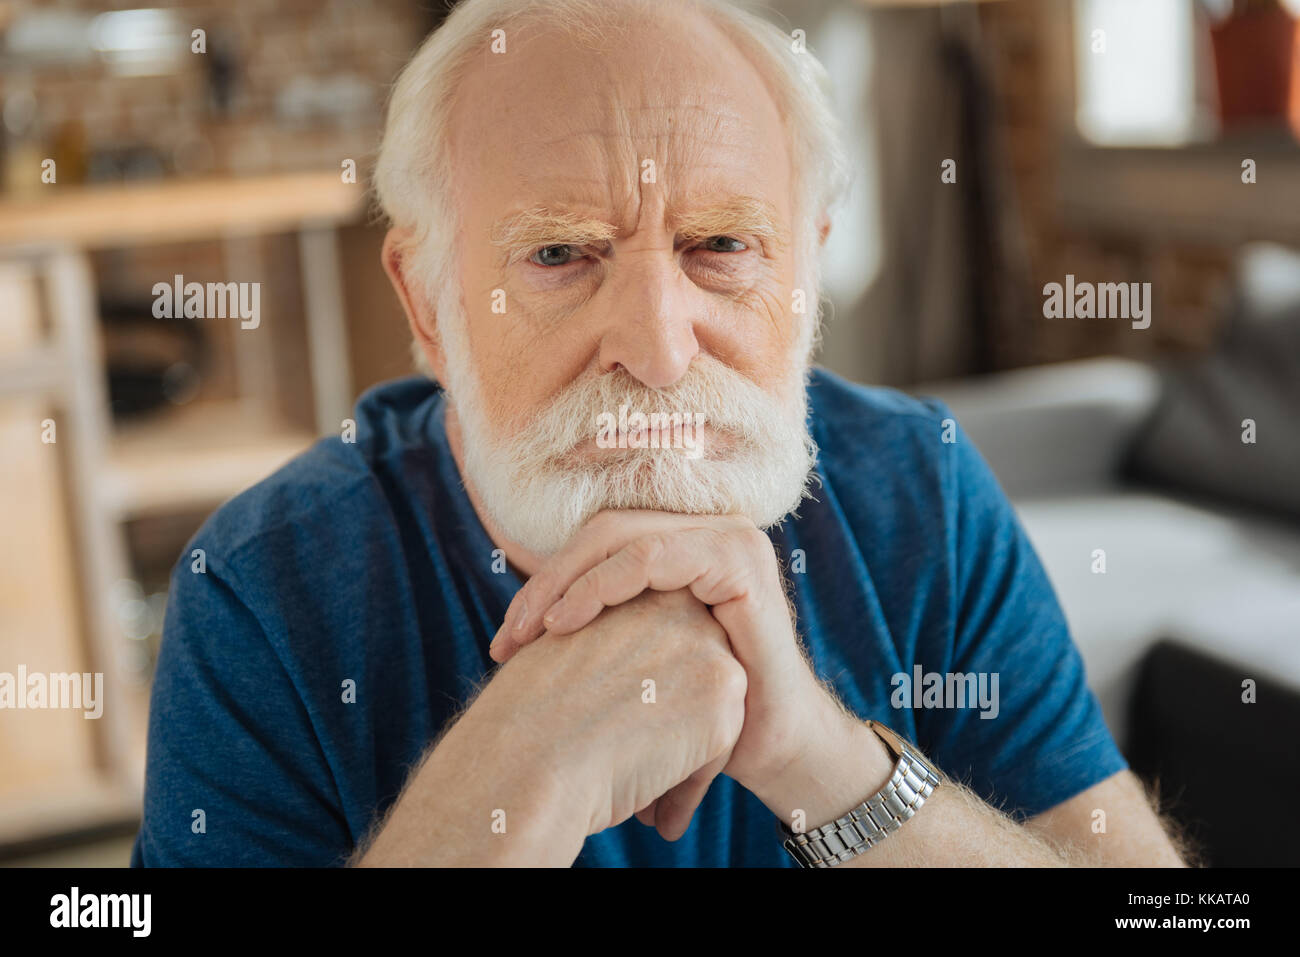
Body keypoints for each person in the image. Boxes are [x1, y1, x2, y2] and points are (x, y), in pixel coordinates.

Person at [131, 0, 1188, 867]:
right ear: (425, 304)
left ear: (806, 277)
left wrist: (821, 758)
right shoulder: (262, 592)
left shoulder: (925, 491)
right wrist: (519, 772)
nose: (657, 347)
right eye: (558, 255)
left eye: (722, 243)